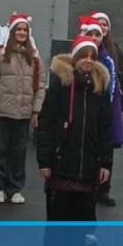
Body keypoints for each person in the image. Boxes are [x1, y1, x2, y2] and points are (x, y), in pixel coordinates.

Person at [35, 35, 113, 221]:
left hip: (89, 166)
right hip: (61, 164)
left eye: (92, 57)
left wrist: (105, 163)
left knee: (83, 222)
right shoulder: (60, 85)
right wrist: (44, 161)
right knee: (58, 221)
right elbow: (46, 123)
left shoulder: (99, 90)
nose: (88, 60)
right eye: (84, 56)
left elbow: (105, 129)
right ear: (75, 58)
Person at [0, 13, 47, 204]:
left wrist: (36, 111)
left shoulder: (34, 58)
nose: (22, 33)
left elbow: (40, 85)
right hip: (2, 112)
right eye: (18, 29)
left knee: (19, 152)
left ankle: (15, 188)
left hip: (24, 114)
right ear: (11, 32)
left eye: (25, 30)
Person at [89, 11, 123, 207]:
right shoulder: (87, 48)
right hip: (91, 102)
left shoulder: (115, 50)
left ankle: (103, 189)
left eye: (105, 25)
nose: (102, 28)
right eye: (99, 24)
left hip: (111, 102)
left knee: (107, 145)